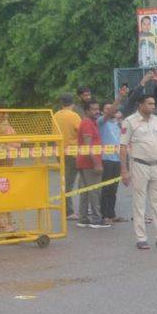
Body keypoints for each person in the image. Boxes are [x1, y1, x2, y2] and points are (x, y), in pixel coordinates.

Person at [120, 93, 157, 250]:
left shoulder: (156, 121)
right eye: (150, 104)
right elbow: (123, 147)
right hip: (139, 165)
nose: (153, 106)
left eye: (154, 104)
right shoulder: (129, 122)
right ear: (141, 105)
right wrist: (124, 171)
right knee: (139, 203)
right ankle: (141, 238)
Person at [75, 100, 107, 228]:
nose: (97, 111)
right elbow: (89, 146)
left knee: (85, 191)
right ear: (87, 111)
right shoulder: (87, 123)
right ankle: (96, 219)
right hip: (89, 163)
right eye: (94, 109)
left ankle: (83, 218)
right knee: (94, 191)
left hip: (83, 162)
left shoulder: (89, 122)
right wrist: (97, 163)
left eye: (97, 109)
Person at [52, 93, 82, 220]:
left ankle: (69, 210)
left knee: (65, 181)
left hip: (59, 152)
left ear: (61, 103)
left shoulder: (55, 115)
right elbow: (81, 132)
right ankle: (69, 211)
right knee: (70, 183)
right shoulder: (74, 116)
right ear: (73, 104)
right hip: (73, 153)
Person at [99, 104, 124, 223]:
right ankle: (104, 215)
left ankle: (112, 213)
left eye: (112, 109)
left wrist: (120, 122)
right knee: (106, 188)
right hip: (106, 158)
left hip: (117, 159)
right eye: (107, 109)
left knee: (113, 189)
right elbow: (108, 115)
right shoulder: (102, 122)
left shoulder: (117, 123)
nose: (110, 111)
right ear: (103, 112)